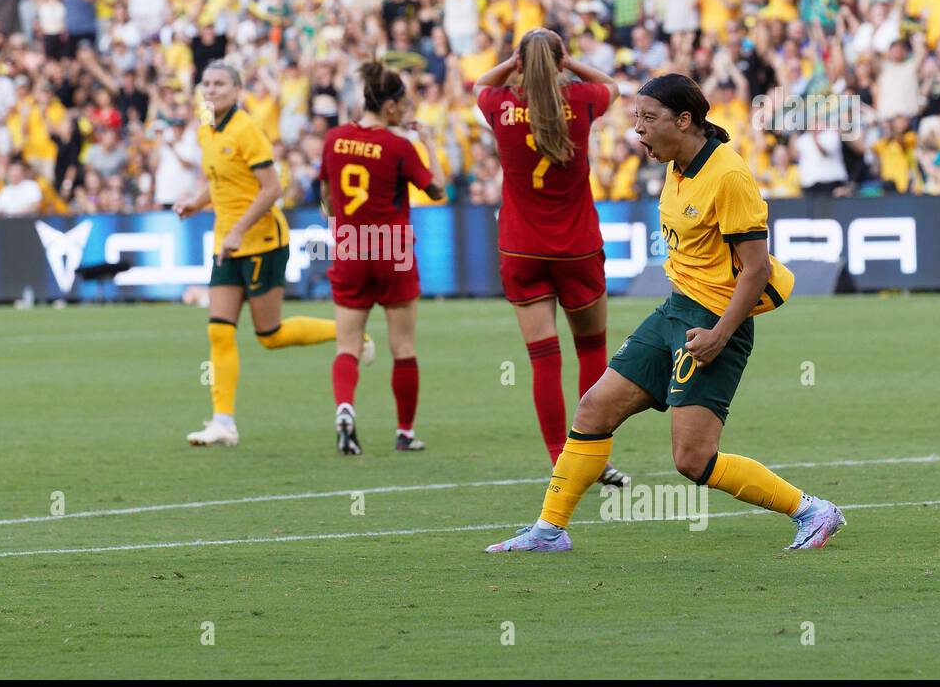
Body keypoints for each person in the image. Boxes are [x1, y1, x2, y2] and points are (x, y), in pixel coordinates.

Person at [489, 74, 845, 553]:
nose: (638, 129)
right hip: (675, 310)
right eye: (636, 117)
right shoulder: (678, 164)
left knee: (693, 458)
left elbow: (757, 270)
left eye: (648, 118)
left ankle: (812, 511)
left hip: (715, 323)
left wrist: (720, 334)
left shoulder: (729, 176)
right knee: (594, 408)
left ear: (685, 119)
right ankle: (550, 531)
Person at [473, 28, 627, 487]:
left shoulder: (500, 105)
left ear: (519, 64)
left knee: (544, 360)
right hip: (577, 247)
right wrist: (569, 63)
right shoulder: (581, 99)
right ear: (560, 62)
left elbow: (480, 84)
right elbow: (615, 86)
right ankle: (593, 457)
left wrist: (517, 63)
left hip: (521, 248)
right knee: (591, 351)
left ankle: (560, 459)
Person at [176, 61, 345, 447]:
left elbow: (271, 189)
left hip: (263, 242)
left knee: (269, 334)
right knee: (219, 330)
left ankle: (347, 332)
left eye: (220, 83)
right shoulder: (206, 128)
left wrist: (238, 229)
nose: (211, 89)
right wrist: (195, 203)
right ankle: (223, 423)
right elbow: (221, 180)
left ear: (237, 90)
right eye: (206, 83)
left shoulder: (247, 129)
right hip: (228, 243)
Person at [319, 61, 446, 455]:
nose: (407, 109)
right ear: (389, 106)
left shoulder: (334, 139)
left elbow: (326, 197)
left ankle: (345, 408)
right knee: (403, 347)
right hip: (391, 250)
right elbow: (438, 190)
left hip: (351, 248)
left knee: (347, 345)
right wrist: (427, 142)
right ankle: (405, 432)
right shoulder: (398, 146)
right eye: (403, 102)